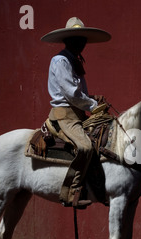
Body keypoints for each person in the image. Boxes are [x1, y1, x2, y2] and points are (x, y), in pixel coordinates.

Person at [41, 17, 111, 208]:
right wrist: (92, 105)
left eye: (83, 40)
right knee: (86, 147)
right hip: (66, 115)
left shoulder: (74, 60)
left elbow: (77, 92)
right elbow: (71, 94)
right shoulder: (61, 60)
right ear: (68, 41)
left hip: (77, 113)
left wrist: (92, 98)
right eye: (77, 40)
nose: (81, 44)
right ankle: (71, 192)